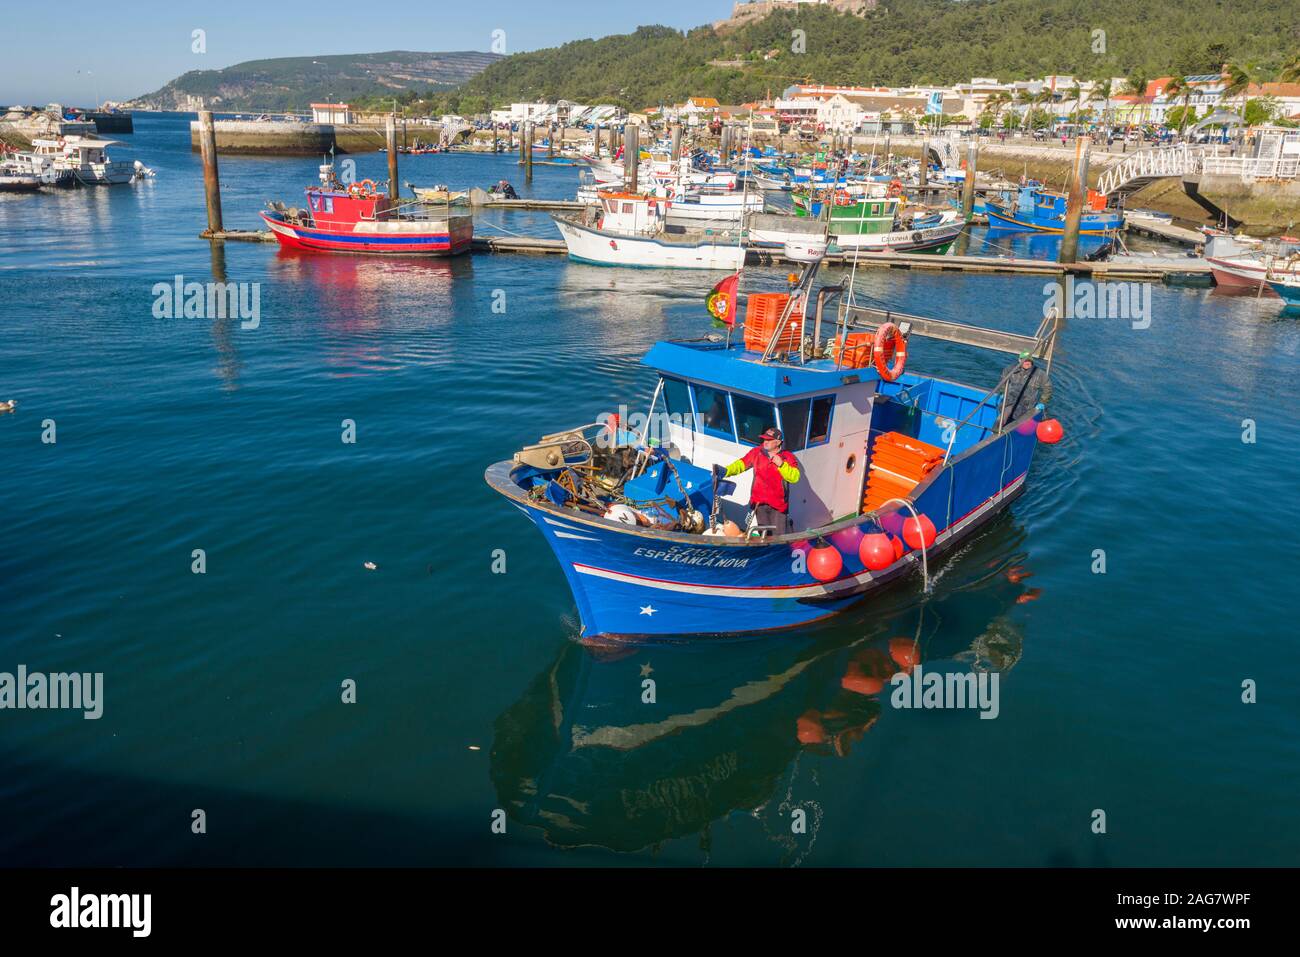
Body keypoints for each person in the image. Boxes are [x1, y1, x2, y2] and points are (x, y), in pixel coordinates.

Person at [713, 427, 802, 536]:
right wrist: (726, 471)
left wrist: (782, 465)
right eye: (764, 439)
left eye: (769, 440)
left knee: (779, 536)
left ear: (778, 442)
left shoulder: (787, 457)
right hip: (759, 504)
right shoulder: (756, 452)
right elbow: (741, 464)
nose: (765, 442)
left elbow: (795, 477)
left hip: (778, 507)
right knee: (763, 536)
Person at [999, 351, 1053, 428]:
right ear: (1019, 360)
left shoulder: (1040, 374)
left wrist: (1042, 402)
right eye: (1024, 360)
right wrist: (1002, 392)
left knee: (1019, 427)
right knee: (1000, 422)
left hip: (1026, 407)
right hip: (1009, 402)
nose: (1027, 362)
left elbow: (1048, 387)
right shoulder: (1010, 369)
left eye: (1029, 361)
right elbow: (1003, 380)